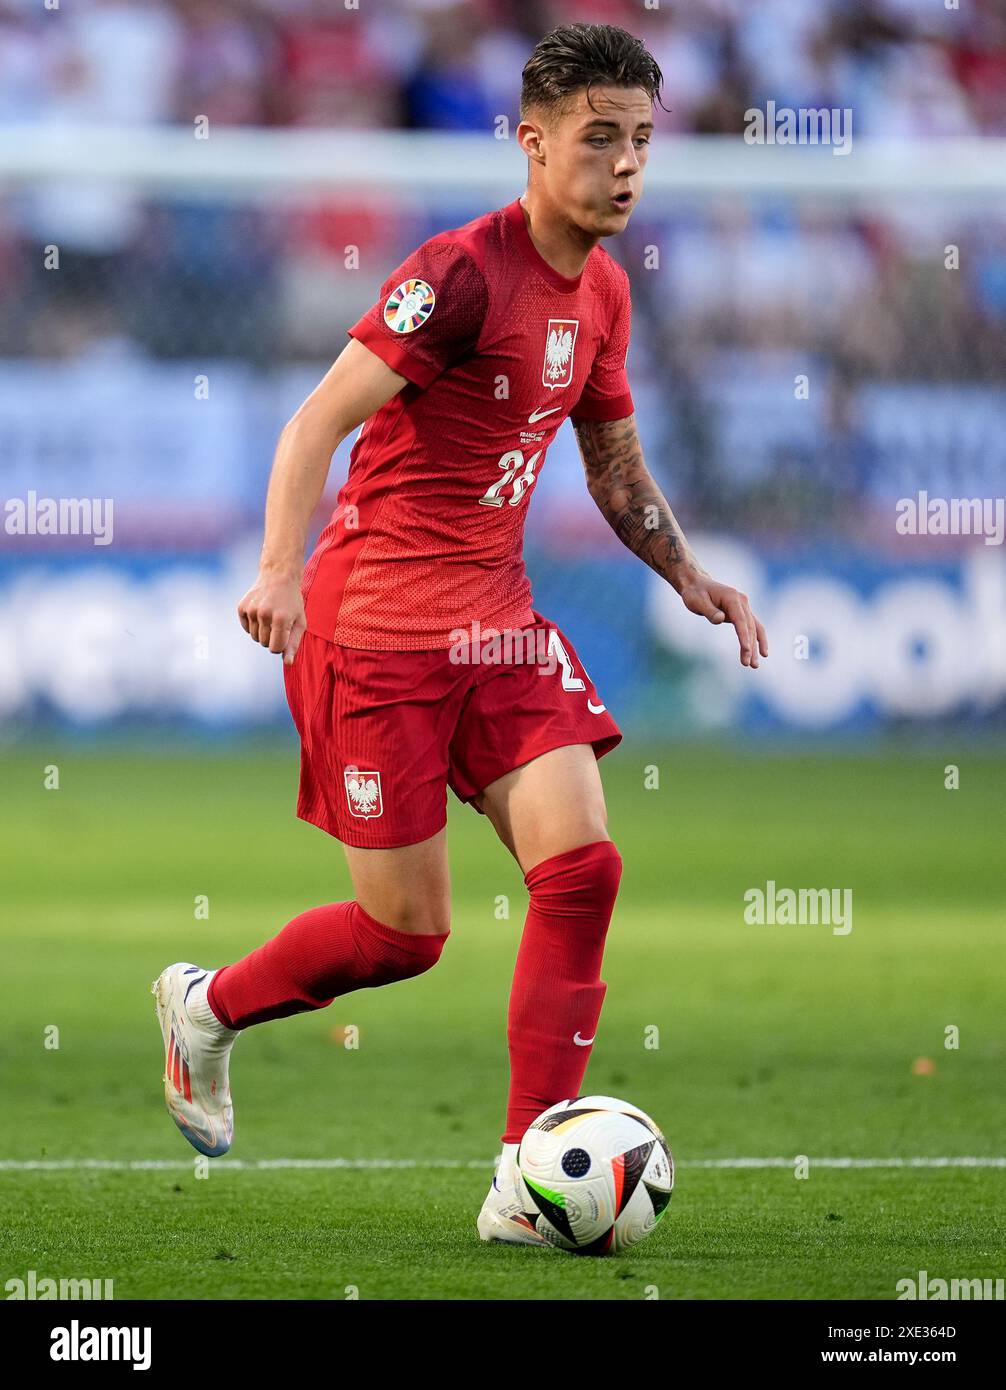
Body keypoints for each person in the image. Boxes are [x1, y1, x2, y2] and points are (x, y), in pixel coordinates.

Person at [152, 21, 767, 1246]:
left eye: (642, 140)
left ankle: (522, 1179)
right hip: (373, 631)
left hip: (495, 625)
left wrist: (687, 569)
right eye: (600, 140)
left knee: (583, 869)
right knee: (402, 938)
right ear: (532, 145)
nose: (627, 165)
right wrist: (280, 569)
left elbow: (611, 460)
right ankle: (206, 1008)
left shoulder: (603, 288)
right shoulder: (459, 273)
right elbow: (313, 423)